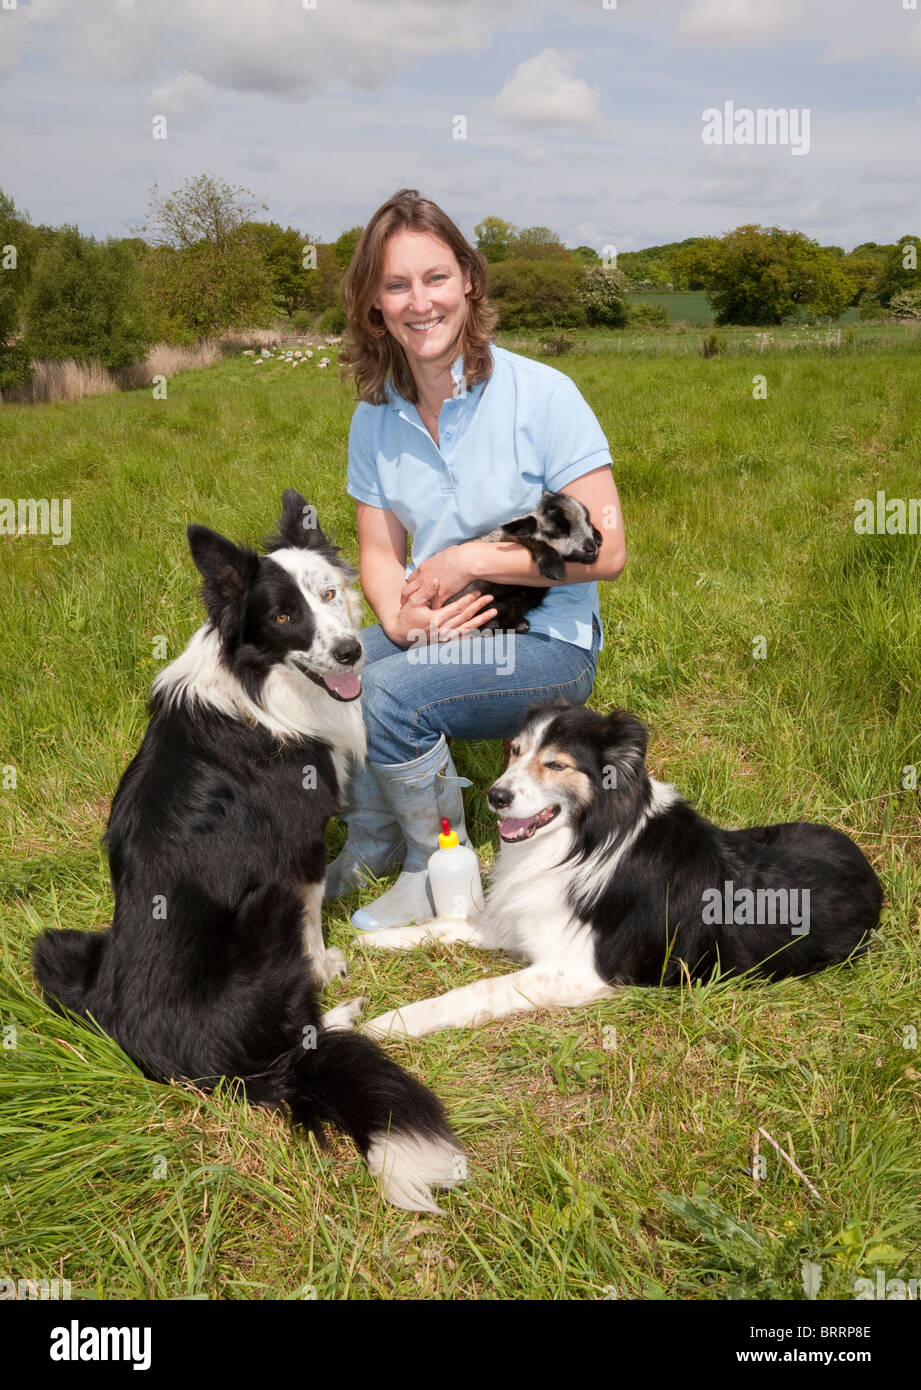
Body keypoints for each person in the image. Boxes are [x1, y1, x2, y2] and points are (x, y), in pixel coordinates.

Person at [326, 188, 626, 932]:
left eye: (434, 278)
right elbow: (377, 548)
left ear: (469, 280)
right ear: (373, 306)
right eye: (395, 285)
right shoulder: (375, 417)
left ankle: (437, 869)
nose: (418, 302)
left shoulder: (543, 395)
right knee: (328, 675)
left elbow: (609, 548)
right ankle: (372, 840)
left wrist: (465, 560)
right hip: (437, 627)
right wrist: (403, 617)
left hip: (543, 643)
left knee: (388, 697)